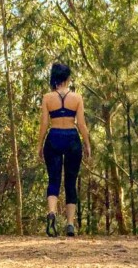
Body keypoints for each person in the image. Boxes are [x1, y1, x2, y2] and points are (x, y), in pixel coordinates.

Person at [37, 62, 91, 237]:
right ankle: (70, 224)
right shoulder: (77, 98)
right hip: (71, 138)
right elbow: (81, 124)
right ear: (68, 78)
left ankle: (52, 212)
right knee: (70, 181)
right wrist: (87, 143)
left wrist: (39, 145)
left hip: (53, 137)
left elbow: (44, 123)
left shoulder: (47, 98)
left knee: (53, 179)